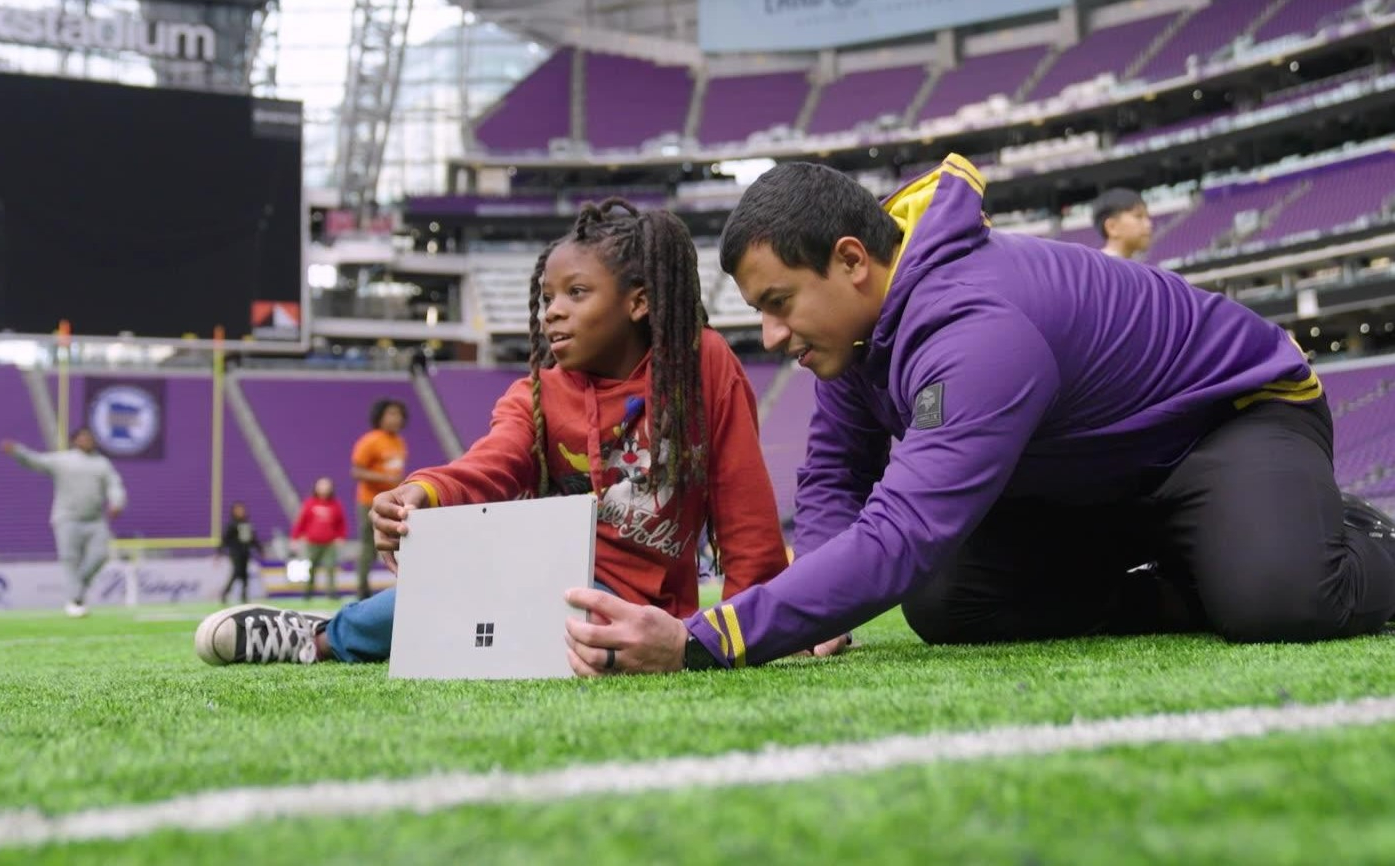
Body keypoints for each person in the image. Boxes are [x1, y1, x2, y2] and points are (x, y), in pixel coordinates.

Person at [559, 156, 1395, 676]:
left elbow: (898, 534)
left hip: (1223, 427)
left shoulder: (977, 328)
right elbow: (831, 475)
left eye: (779, 304)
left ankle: (1340, 537)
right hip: (1092, 484)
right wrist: (815, 607)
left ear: (852, 261)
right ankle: (1194, 581)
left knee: (1282, 600)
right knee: (947, 603)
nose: (774, 337)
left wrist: (711, 639)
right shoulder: (857, 338)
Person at [193, 199, 808, 666]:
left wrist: (756, 627)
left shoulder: (702, 363)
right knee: (477, 584)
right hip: (546, 582)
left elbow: (743, 506)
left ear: (640, 302)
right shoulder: (537, 392)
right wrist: (421, 495)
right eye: (546, 298)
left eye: (576, 292)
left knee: (501, 602)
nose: (553, 312)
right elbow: (492, 464)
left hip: (649, 619)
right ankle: (320, 640)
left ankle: (330, 634)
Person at [1, 428, 126, 618]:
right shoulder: (63, 460)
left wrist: (117, 502)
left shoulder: (102, 464)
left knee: (100, 555)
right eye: (82, 438)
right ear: (74, 441)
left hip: (95, 519)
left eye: (89, 438)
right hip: (67, 518)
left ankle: (77, 589)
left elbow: (114, 485)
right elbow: (36, 461)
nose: (86, 441)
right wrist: (17, 451)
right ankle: (75, 601)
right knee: (70, 560)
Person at [349, 398, 409, 599]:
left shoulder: (399, 442)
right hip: (369, 501)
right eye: (390, 414)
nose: (395, 418)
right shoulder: (371, 440)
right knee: (369, 547)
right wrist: (385, 478)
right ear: (379, 417)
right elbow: (356, 471)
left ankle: (402, 585)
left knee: (397, 542)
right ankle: (362, 590)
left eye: (398, 414)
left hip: (394, 503)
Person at [290, 478, 347, 600]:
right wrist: (295, 538)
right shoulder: (309, 503)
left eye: (326, 486)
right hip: (312, 543)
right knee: (310, 568)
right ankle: (307, 593)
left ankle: (332, 593)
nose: (324, 488)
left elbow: (341, 523)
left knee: (330, 567)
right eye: (321, 485)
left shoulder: (335, 505)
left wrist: (341, 537)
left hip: (329, 543)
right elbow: (301, 522)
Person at [216, 502, 262, 605]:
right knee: (236, 572)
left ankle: (244, 595)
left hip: (245, 552)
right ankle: (225, 593)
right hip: (235, 552)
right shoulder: (232, 524)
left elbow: (252, 539)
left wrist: (260, 549)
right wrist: (219, 551)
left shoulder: (247, 524)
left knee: (244, 574)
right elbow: (225, 539)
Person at [1093, 187, 1153, 259]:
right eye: (1138, 216)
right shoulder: (1100, 267)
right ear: (1112, 227)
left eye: (1147, 217)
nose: (1148, 225)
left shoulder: (1134, 265)